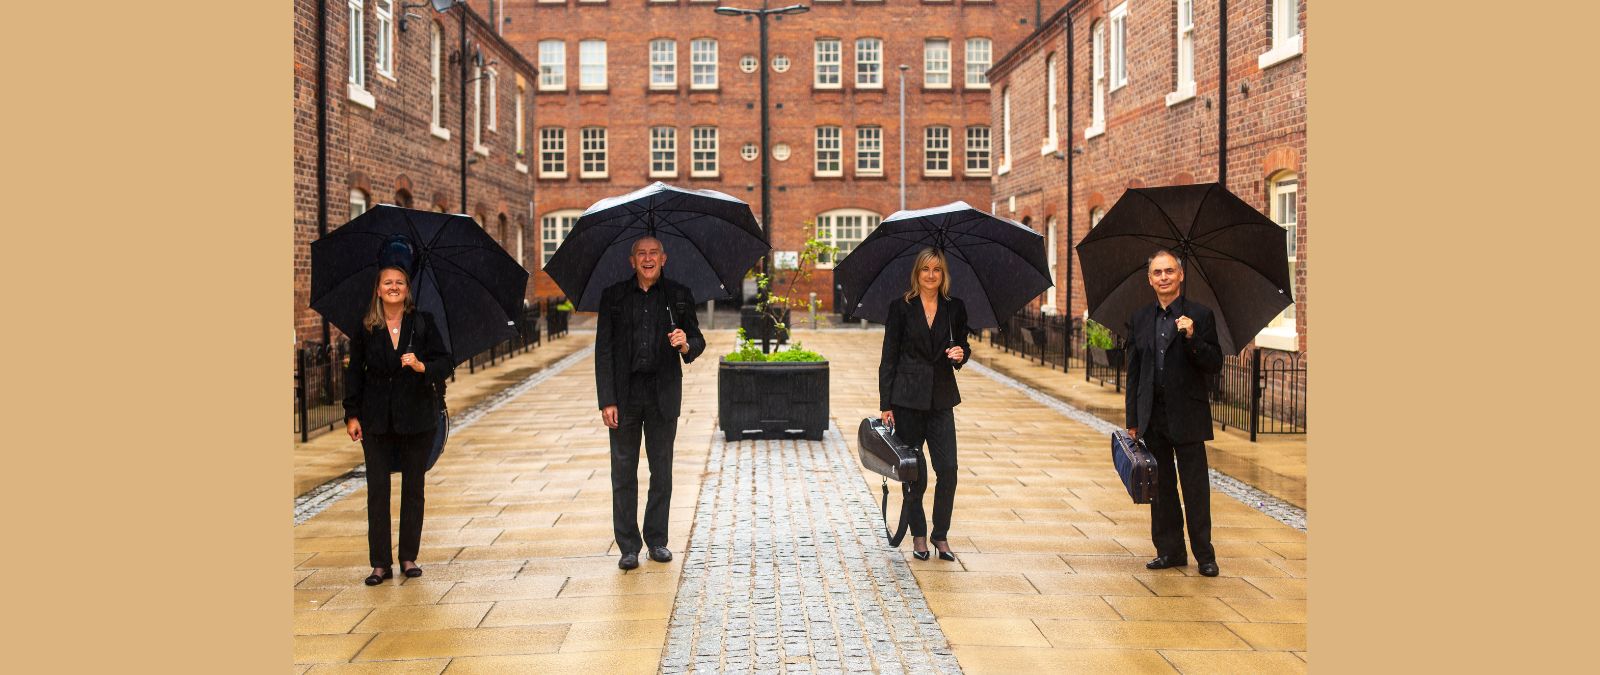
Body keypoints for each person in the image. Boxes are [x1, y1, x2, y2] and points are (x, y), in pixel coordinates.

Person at [596, 236, 706, 571]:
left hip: (663, 396)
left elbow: (698, 341)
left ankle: (657, 540)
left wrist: (685, 343)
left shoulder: (679, 296)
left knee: (662, 472)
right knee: (624, 472)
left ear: (664, 258)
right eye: (641, 254)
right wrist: (607, 400)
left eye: (653, 253)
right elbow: (604, 352)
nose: (647, 259)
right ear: (632, 261)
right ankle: (628, 546)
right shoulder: (613, 297)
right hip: (625, 397)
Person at [343, 258, 453, 586]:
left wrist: (421, 366)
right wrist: (351, 415)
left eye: (400, 283)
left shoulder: (422, 322)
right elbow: (353, 374)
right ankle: (380, 563)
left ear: (407, 290)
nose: (393, 287)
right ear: (378, 289)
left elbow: (444, 362)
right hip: (376, 420)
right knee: (378, 491)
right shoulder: (365, 327)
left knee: (413, 490)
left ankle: (408, 557)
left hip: (417, 419)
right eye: (387, 282)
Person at [1124, 249, 1224, 577]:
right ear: (1149, 279)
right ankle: (1169, 550)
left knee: (1195, 488)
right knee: (1161, 488)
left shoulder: (1200, 315)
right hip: (1154, 417)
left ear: (1180, 275)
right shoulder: (1140, 318)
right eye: (1157, 272)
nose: (1164, 277)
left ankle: (1204, 555)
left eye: (1169, 271)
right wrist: (1133, 420)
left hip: (1189, 417)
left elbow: (1214, 364)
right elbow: (1134, 373)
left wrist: (1193, 337)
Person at [878, 247, 972, 562]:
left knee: (949, 469)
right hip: (906, 400)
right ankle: (918, 534)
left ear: (943, 275)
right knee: (914, 471)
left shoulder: (954, 308)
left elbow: (963, 345)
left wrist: (960, 355)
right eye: (925, 270)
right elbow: (888, 357)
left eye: (937, 270)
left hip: (942, 399)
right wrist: (886, 403)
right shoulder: (901, 308)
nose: (931, 275)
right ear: (916, 274)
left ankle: (940, 535)